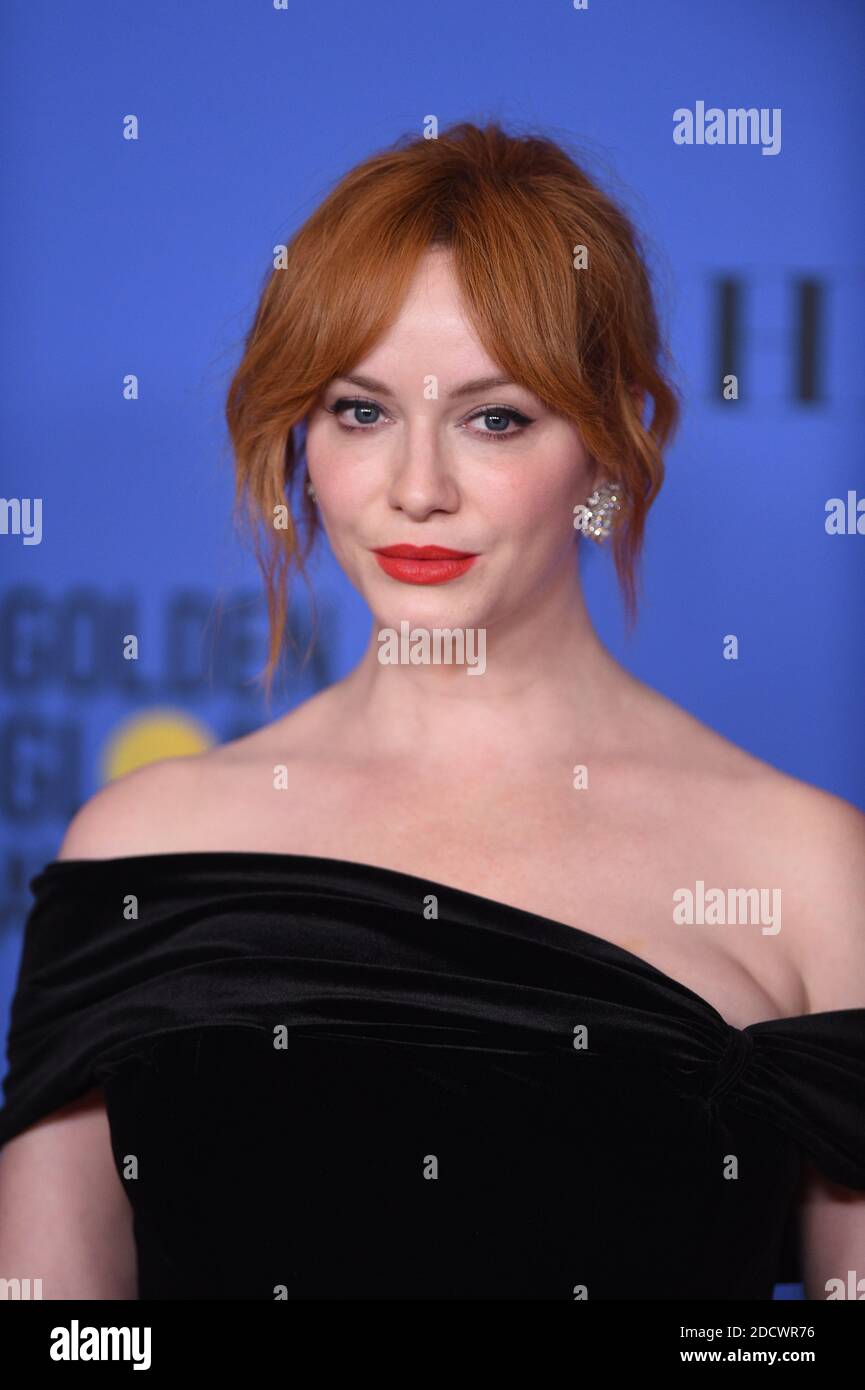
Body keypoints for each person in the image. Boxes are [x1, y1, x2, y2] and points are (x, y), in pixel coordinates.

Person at [0, 121, 863, 1301]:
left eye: (493, 417)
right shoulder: (138, 853)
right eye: (360, 411)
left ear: (613, 441)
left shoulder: (809, 872)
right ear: (300, 441)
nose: (417, 488)